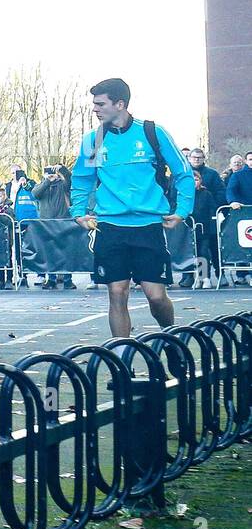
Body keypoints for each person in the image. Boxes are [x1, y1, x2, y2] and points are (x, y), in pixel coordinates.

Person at [70, 78, 194, 340]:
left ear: (120, 104)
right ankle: (121, 357)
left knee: (156, 297)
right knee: (117, 293)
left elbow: (183, 173)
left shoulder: (151, 133)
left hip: (148, 227)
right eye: (94, 104)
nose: (95, 109)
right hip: (110, 227)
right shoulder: (94, 140)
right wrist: (79, 212)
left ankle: (170, 338)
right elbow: (82, 179)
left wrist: (183, 210)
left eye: (100, 103)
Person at [180, 148, 225, 288]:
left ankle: (211, 275)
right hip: (187, 222)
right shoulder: (182, 173)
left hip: (206, 223)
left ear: (204, 158)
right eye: (194, 157)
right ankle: (188, 276)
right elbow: (174, 194)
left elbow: (220, 192)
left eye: (199, 157)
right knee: (187, 250)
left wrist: (215, 213)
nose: (197, 159)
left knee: (207, 250)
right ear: (189, 158)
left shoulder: (212, 175)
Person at [32, 163, 74, 289]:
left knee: (65, 252)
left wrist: (61, 170)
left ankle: (67, 279)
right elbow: (35, 194)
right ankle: (51, 279)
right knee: (49, 252)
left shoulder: (63, 185)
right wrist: (47, 182)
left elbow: (70, 181)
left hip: (62, 222)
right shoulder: (42, 185)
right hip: (47, 224)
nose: (51, 173)